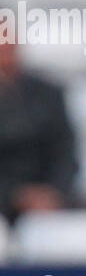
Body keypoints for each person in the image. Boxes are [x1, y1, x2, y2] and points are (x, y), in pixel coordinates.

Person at [0, 34, 79, 223]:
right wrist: (15, 196)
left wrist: (53, 193)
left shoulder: (48, 93)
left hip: (47, 202)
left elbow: (66, 153)